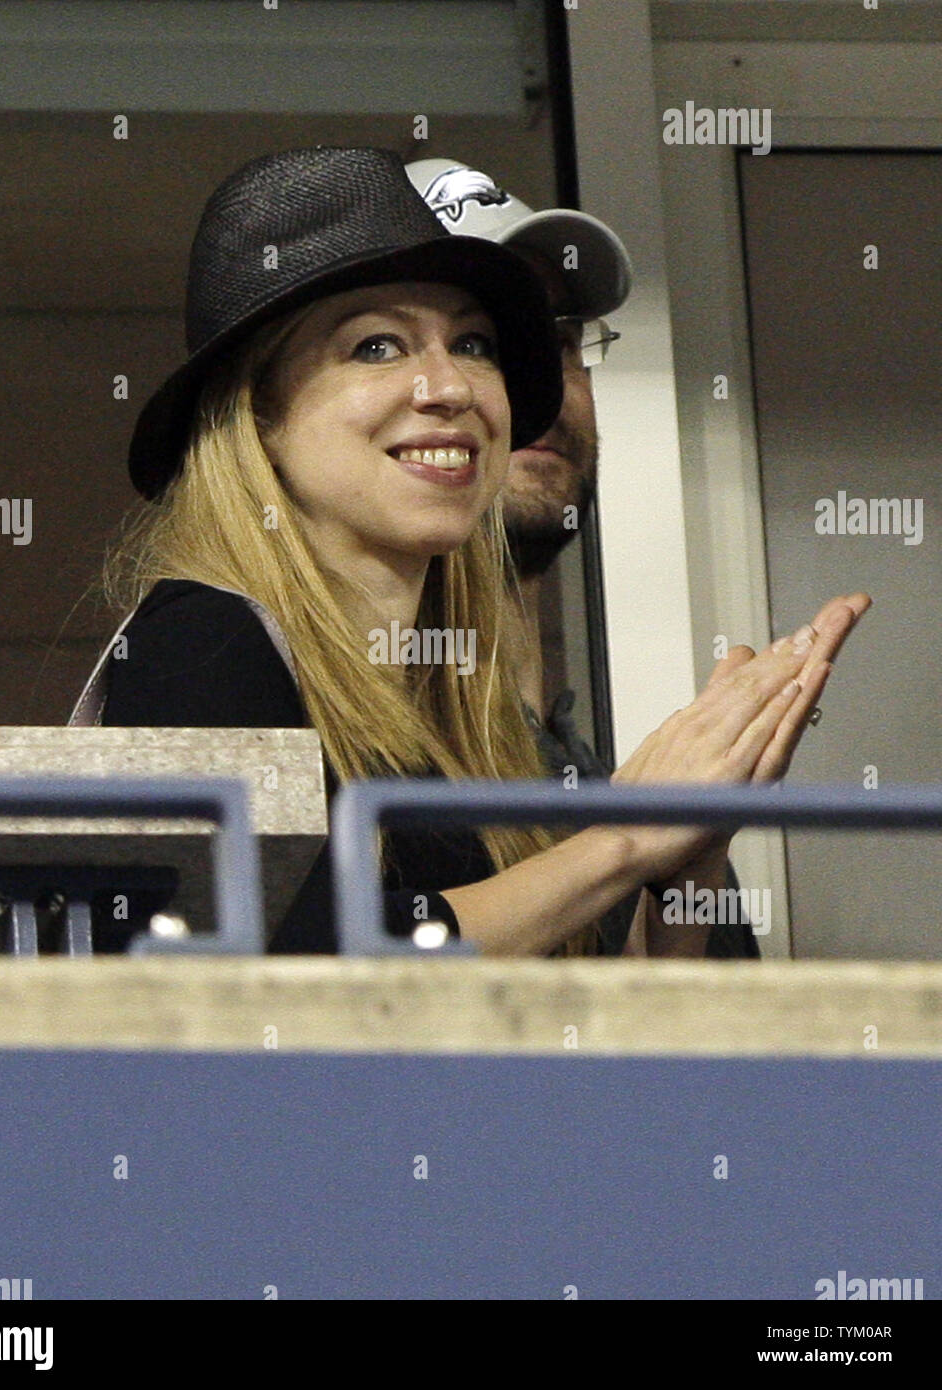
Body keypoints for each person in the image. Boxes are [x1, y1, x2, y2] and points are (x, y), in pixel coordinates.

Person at [72, 146, 869, 958]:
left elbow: (631, 1058)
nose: (450, 386)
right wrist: (627, 837)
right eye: (376, 346)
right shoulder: (199, 639)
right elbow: (295, 965)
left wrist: (689, 852)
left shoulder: (474, 716)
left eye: (475, 345)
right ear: (259, 416)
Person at [405, 157, 758, 957]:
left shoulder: (619, 790)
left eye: (559, 347)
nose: (543, 392)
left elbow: (674, 1076)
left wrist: (689, 865)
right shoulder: (343, 751)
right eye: (483, 345)